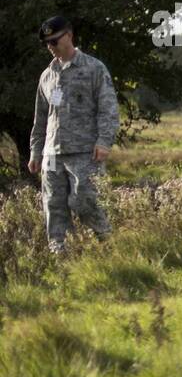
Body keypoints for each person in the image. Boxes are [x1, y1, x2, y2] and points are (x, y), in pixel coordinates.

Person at [27, 15, 120, 255]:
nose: (51, 47)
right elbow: (41, 119)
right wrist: (35, 151)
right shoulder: (46, 77)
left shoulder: (93, 68)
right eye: (47, 44)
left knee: (85, 202)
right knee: (54, 208)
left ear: (69, 35)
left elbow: (108, 108)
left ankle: (108, 249)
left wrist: (104, 141)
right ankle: (63, 259)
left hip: (84, 152)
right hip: (52, 154)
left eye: (55, 41)